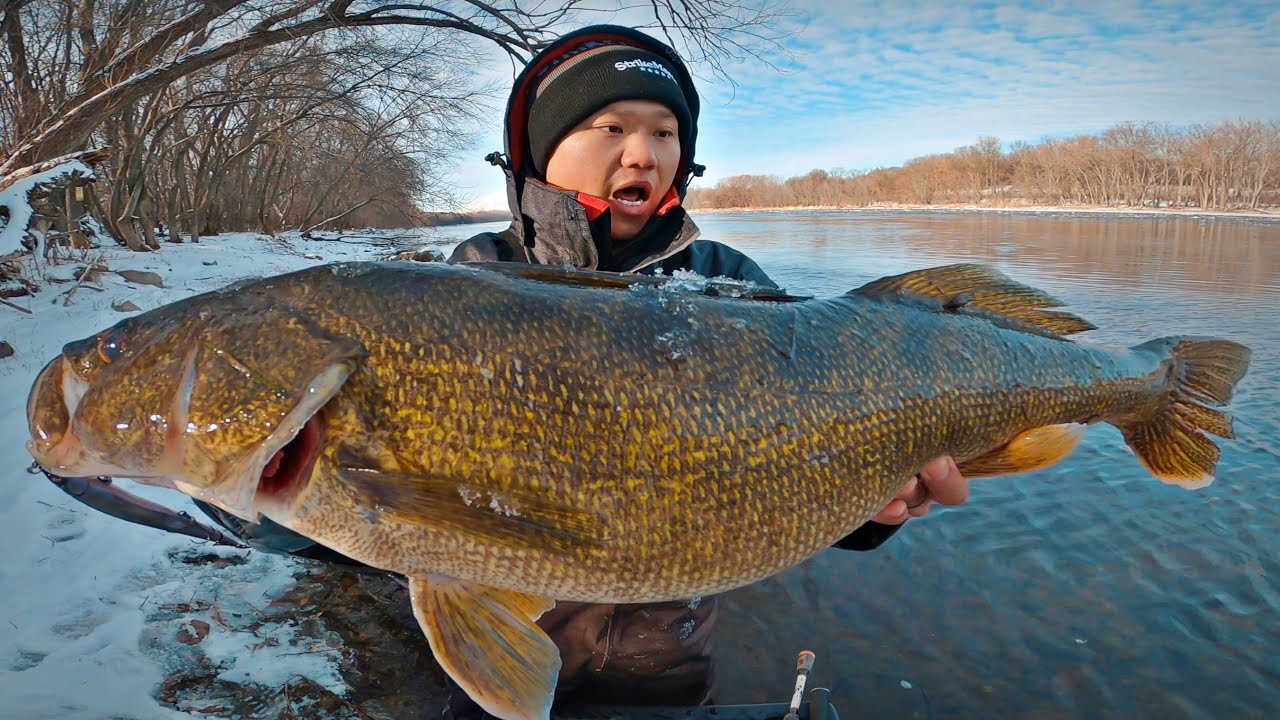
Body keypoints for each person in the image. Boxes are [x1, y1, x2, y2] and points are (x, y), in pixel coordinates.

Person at [196, 23, 970, 717]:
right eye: (611, 126)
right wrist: (274, 501)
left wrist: (871, 507)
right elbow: (388, 510)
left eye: (666, 132)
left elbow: (792, 449)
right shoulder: (473, 280)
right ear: (541, 151)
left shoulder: (734, 286)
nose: (645, 152)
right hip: (496, 639)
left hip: (664, 659)